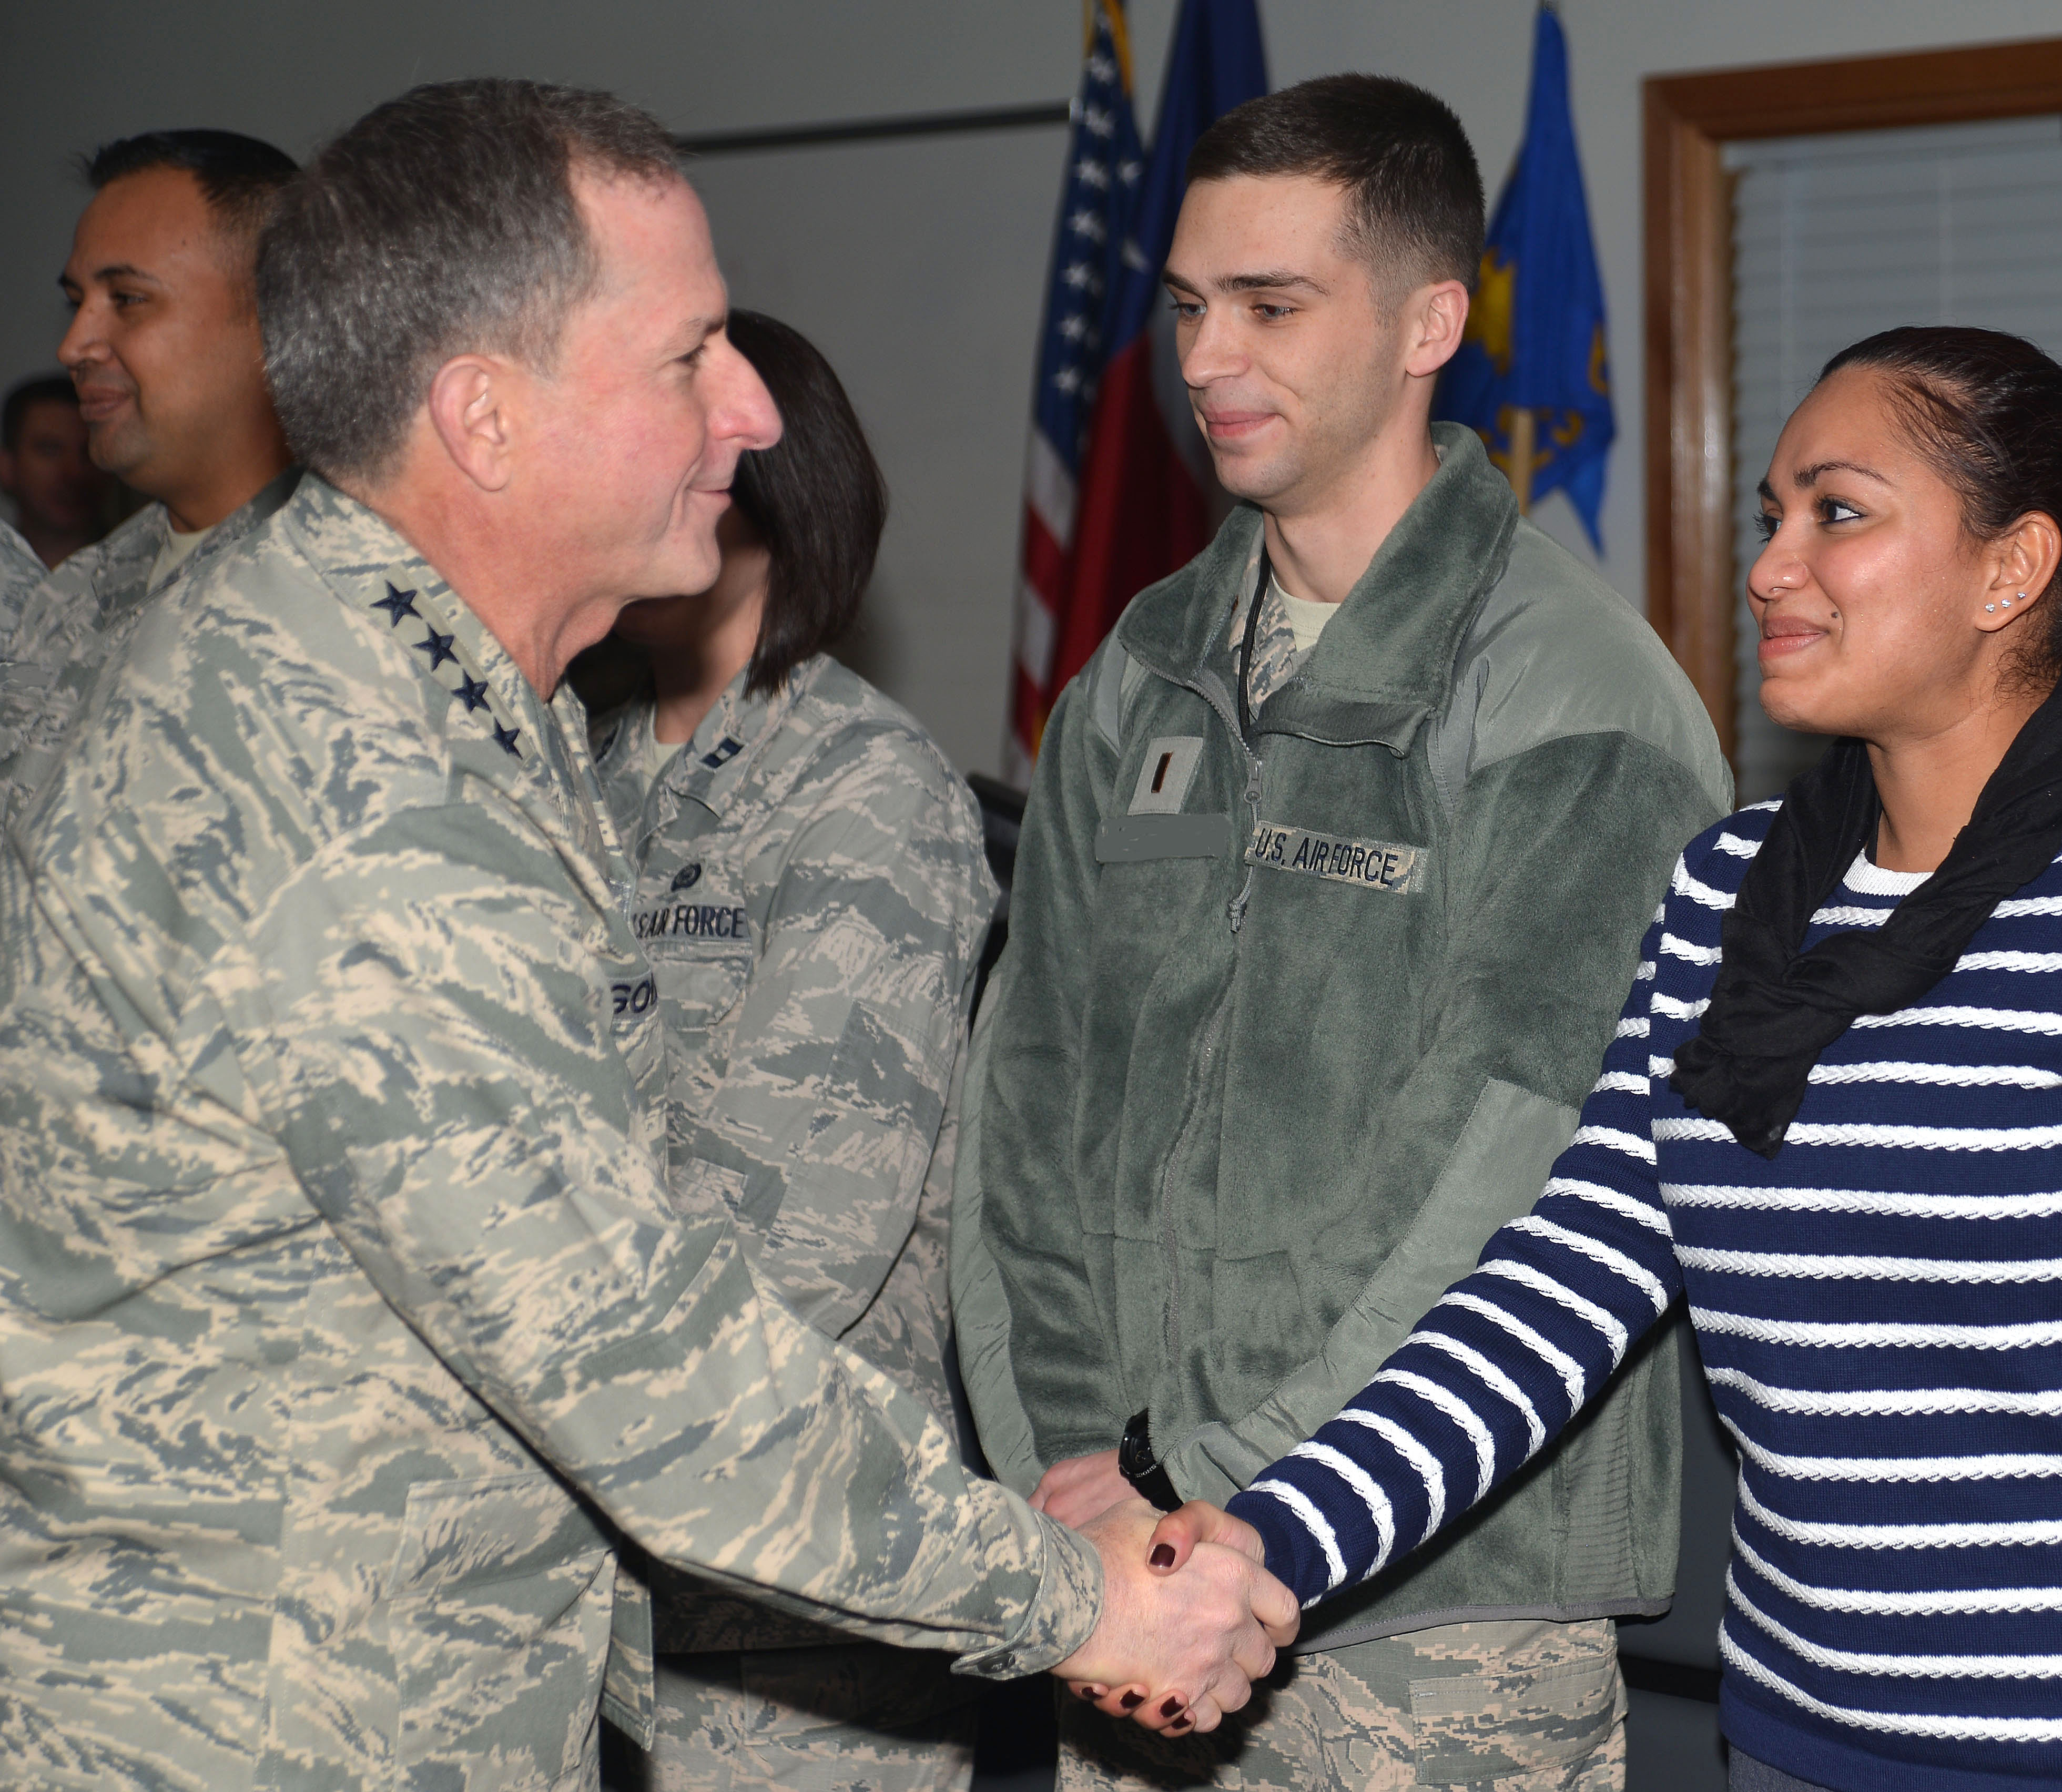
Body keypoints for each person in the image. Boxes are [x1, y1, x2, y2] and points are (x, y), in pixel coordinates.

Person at [0, 78, 1291, 1792]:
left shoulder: (411, 692)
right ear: (485, 416)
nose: (754, 407)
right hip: (261, 1711)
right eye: (687, 355)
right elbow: (620, 1337)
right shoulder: (344, 765)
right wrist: (1073, 1601)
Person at [1136, 325, 2062, 1792]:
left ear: (2011, 570)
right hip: (1791, 1739)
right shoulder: (1728, 891)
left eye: (1839, 512)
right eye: (1771, 517)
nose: (1769, 567)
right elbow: (1565, 1281)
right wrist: (1273, 1533)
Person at [953, 75, 1730, 1791]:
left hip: (1434, 1615)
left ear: (1427, 320)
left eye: (1270, 305)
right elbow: (1022, 1108)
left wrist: (1222, 1489)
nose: (1205, 356)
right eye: (1184, 306)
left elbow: (1518, 1187)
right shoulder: (1135, 673)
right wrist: (1072, 1477)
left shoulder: (1568, 699)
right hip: (1127, 1576)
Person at [594, 310, 990, 1791]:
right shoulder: (581, 769)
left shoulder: (864, 792)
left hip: (787, 1611)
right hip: (585, 1594)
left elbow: (795, 1241)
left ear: (768, 486)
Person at [0, 129, 302, 813]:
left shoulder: (361, 598)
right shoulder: (80, 594)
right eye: (77, 300)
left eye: (128, 300)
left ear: (279, 320)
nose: (73, 344)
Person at [0, 373, 106, 570]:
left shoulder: (151, 576)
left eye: (89, 451)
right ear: (7, 466)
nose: (74, 472)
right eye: (50, 450)